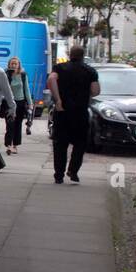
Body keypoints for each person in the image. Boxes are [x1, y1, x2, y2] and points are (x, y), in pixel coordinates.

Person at [48, 45, 100, 183]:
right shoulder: (90, 71)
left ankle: (59, 174)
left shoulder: (59, 68)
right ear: (83, 55)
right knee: (80, 144)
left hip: (62, 111)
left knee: (60, 144)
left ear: (70, 54)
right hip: (80, 113)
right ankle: (73, 170)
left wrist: (58, 99)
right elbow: (95, 91)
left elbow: (51, 80)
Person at [3, 56, 33, 154]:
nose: (14, 65)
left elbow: (26, 89)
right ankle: (8, 145)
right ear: (9, 64)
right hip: (9, 102)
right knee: (9, 124)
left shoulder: (23, 75)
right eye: (12, 63)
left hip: (20, 102)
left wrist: (30, 103)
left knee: (17, 124)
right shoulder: (6, 74)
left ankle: (15, 145)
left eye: (16, 63)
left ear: (19, 65)